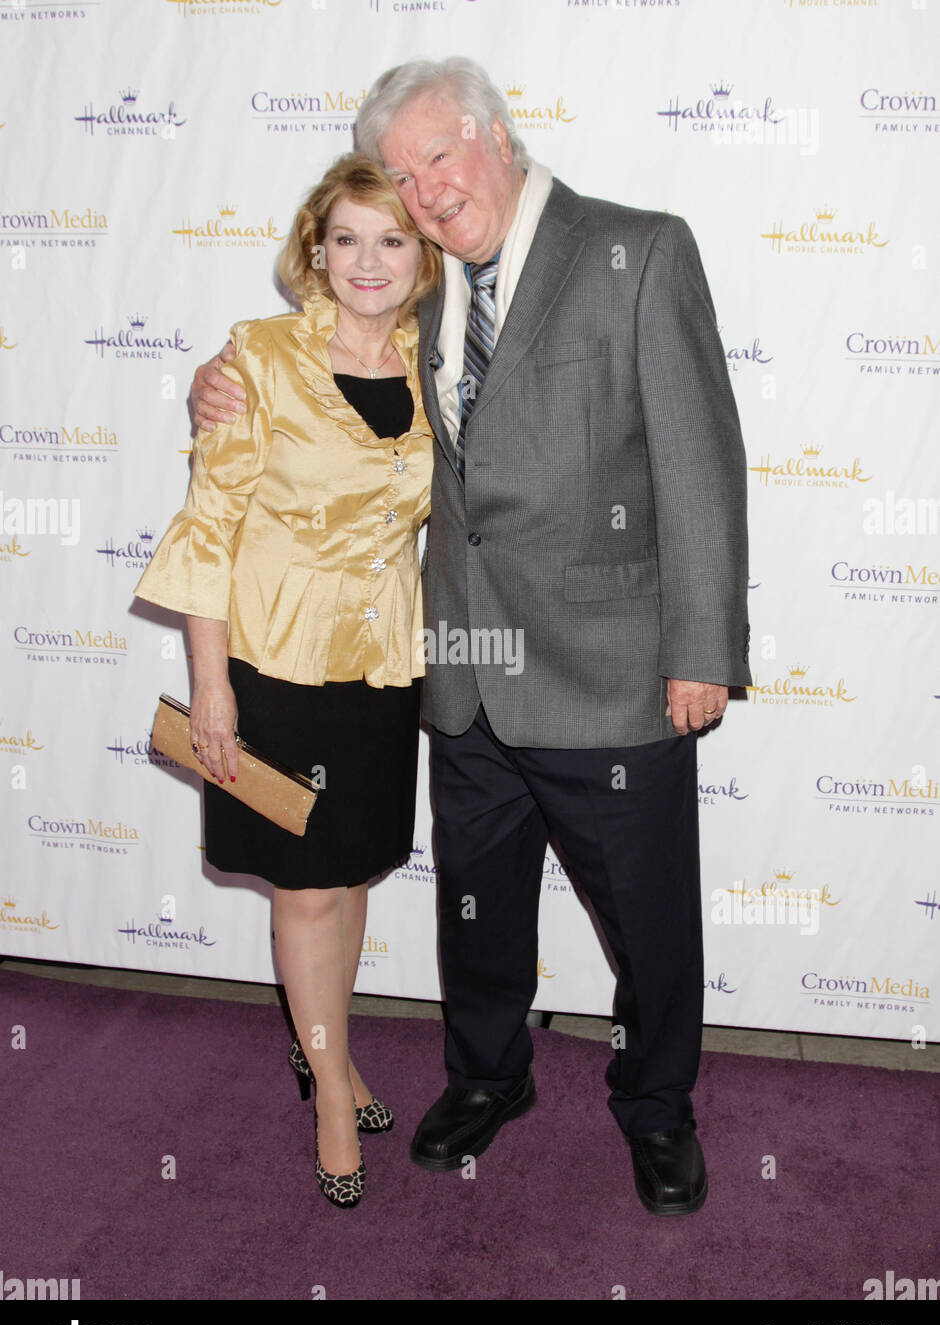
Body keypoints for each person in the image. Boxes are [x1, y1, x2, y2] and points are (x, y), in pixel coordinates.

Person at [190, 58, 751, 1217]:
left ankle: (656, 1106)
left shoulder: (637, 250)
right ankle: (488, 1078)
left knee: (647, 921)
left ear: (497, 134)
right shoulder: (423, 283)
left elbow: (700, 459)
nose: (425, 191)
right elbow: (325, 359)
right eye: (402, 175)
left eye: (437, 157)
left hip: (611, 679)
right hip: (459, 679)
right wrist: (219, 379)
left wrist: (703, 645)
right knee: (478, 912)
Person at [136, 153, 440, 1208]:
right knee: (307, 894)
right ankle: (324, 1094)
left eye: (392, 239)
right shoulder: (255, 360)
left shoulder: (432, 366)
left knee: (351, 877)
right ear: (317, 248)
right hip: (273, 666)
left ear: (422, 258)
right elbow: (209, 529)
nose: (368, 260)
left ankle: (333, 1049)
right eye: (347, 237)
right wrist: (209, 685)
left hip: (382, 668)